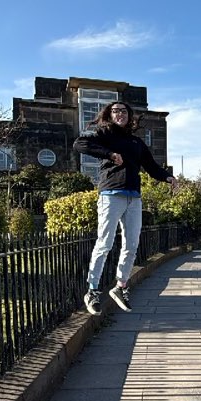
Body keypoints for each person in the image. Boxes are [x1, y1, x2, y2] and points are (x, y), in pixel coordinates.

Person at [73, 101, 176, 314]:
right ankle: (92, 290)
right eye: (115, 111)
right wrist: (110, 155)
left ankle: (121, 286)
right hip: (111, 194)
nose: (119, 114)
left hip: (134, 198)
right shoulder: (105, 134)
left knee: (131, 245)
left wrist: (168, 177)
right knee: (105, 243)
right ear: (110, 115)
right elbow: (79, 144)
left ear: (129, 116)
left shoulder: (136, 142)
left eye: (123, 111)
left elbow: (151, 167)